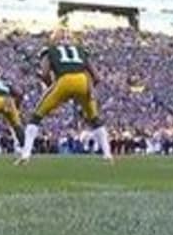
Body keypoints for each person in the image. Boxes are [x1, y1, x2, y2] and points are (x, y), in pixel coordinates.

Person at [16, 35, 112, 164]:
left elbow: (45, 73)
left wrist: (51, 86)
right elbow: (97, 77)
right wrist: (90, 91)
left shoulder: (49, 50)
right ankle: (107, 155)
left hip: (64, 80)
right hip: (83, 81)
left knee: (35, 117)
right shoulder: (80, 49)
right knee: (95, 119)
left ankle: (25, 155)